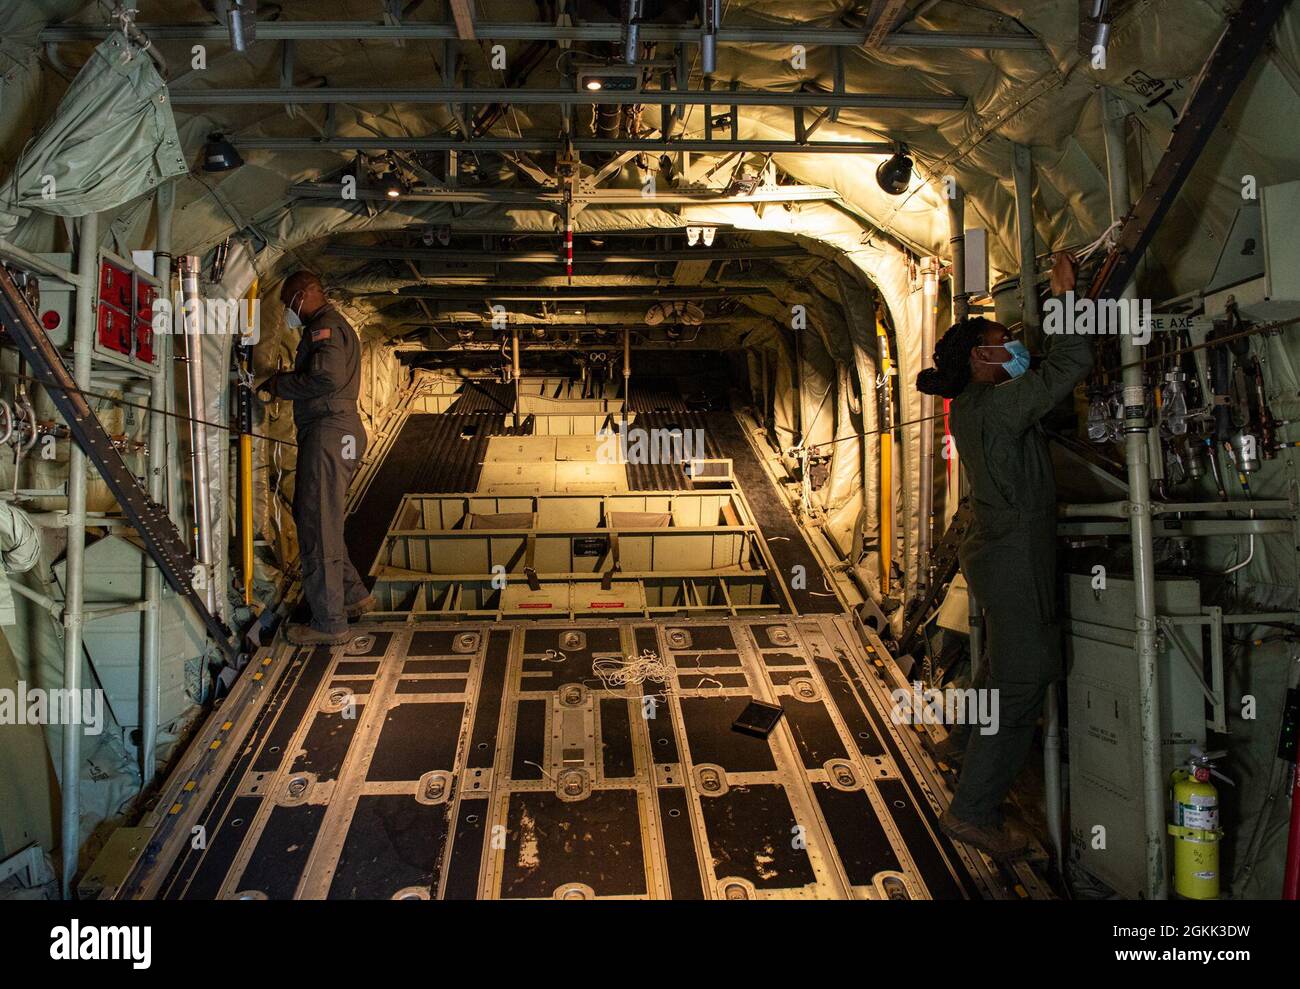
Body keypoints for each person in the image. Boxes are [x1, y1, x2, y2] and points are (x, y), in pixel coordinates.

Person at [915, 252, 1093, 858]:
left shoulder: (970, 405)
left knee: (997, 663)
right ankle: (973, 811)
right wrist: (1067, 297)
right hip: (1017, 550)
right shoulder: (999, 404)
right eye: (1003, 340)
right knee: (1024, 678)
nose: (1013, 346)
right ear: (980, 358)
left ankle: (966, 744)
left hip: (993, 545)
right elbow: (1073, 360)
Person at [257, 271, 375, 645]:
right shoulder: (337, 325)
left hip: (329, 429)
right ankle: (354, 595)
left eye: (291, 300)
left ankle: (329, 623)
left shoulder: (323, 326)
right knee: (324, 518)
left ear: (307, 293)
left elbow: (324, 379)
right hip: (340, 431)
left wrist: (279, 384)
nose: (290, 310)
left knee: (317, 524)